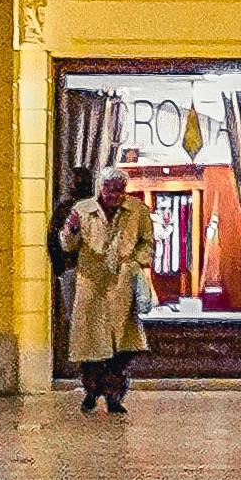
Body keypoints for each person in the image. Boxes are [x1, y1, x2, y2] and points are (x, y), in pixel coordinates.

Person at [60, 164, 148, 416]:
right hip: (91, 285)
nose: (114, 196)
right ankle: (90, 392)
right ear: (101, 189)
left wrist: (136, 262)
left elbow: (146, 243)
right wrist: (73, 229)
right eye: (109, 191)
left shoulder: (136, 211)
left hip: (121, 287)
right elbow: (67, 245)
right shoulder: (82, 210)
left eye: (119, 191)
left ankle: (114, 396)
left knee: (121, 350)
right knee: (91, 348)